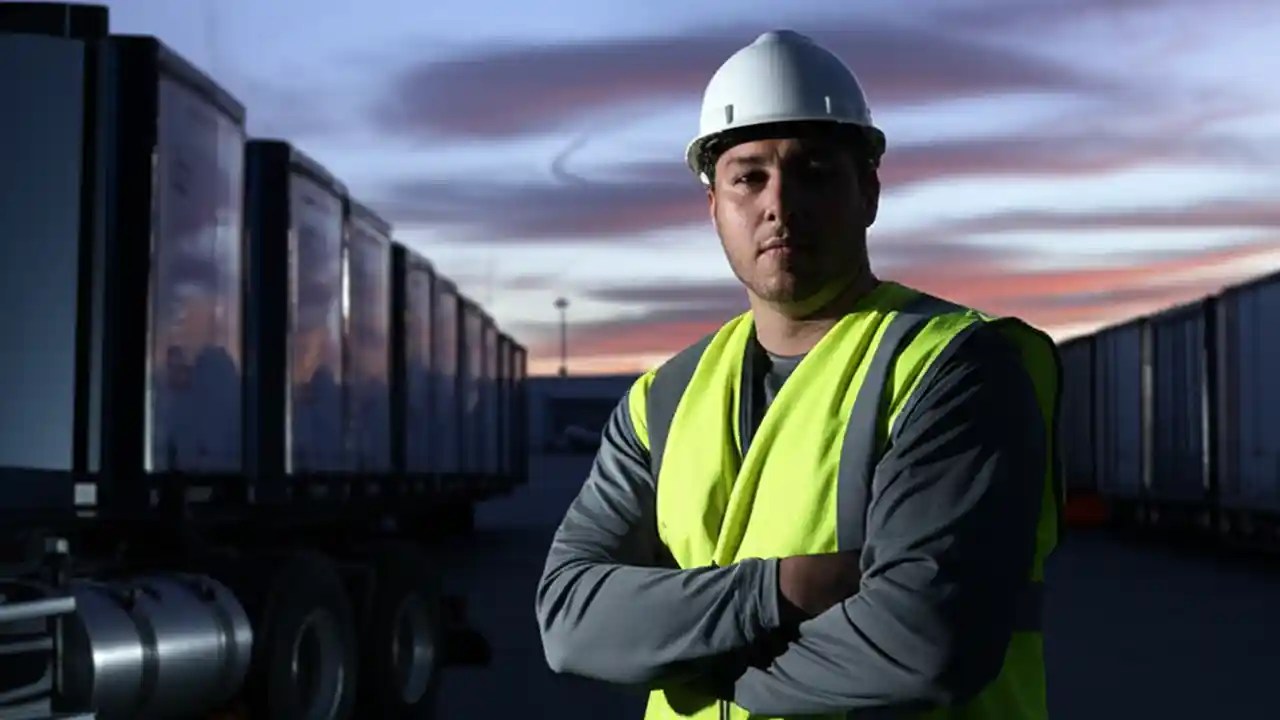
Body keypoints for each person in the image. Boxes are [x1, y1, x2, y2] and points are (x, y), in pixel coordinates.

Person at [534, 29, 1063, 720]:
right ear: (714, 207)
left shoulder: (952, 366)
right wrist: (779, 590)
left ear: (868, 192)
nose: (779, 204)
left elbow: (922, 644)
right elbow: (570, 618)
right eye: (748, 177)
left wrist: (696, 674)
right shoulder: (662, 401)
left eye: (813, 171)